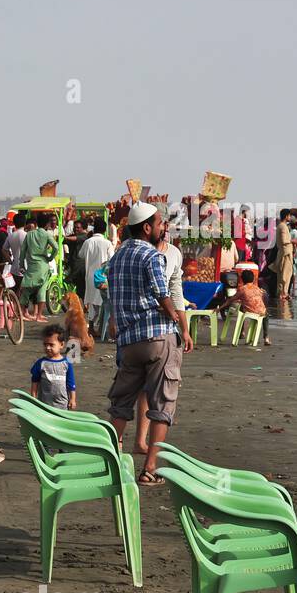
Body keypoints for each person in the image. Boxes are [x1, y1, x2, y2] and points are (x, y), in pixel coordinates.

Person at [105, 201, 192, 486]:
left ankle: (109, 461)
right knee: (162, 405)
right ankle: (149, 469)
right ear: (146, 228)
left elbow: (115, 299)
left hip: (129, 342)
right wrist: (176, 318)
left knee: (121, 405)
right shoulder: (153, 256)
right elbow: (161, 290)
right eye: (158, 224)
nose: (161, 229)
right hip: (156, 337)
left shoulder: (117, 257)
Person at [18, 213, 57, 322]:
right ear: (47, 223)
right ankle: (39, 315)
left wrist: (21, 265)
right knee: (42, 290)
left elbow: (23, 251)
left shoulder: (29, 234)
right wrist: (50, 258)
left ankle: (22, 313)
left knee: (26, 289)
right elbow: (56, 247)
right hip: (43, 265)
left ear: (36, 223)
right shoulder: (47, 234)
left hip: (31, 265)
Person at [30, 324, 78, 410]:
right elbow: (34, 381)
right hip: (44, 405)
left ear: (62, 344)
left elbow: (71, 384)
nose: (48, 348)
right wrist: (33, 397)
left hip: (62, 405)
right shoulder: (40, 363)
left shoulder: (66, 364)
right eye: (45, 344)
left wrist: (72, 399)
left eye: (51, 345)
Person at [77, 220, 114, 328]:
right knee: (102, 302)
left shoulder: (88, 242)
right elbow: (111, 260)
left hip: (90, 276)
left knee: (91, 302)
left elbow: (81, 255)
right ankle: (101, 327)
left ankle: (92, 327)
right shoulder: (107, 243)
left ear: (94, 229)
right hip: (102, 277)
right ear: (105, 230)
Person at [275, 209, 294, 302]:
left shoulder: (282, 226)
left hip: (285, 253)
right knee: (284, 275)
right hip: (285, 254)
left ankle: (283, 293)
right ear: (286, 216)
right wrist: (293, 241)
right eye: (289, 216)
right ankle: (283, 294)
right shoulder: (283, 226)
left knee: (285, 274)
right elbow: (283, 241)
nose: (290, 217)